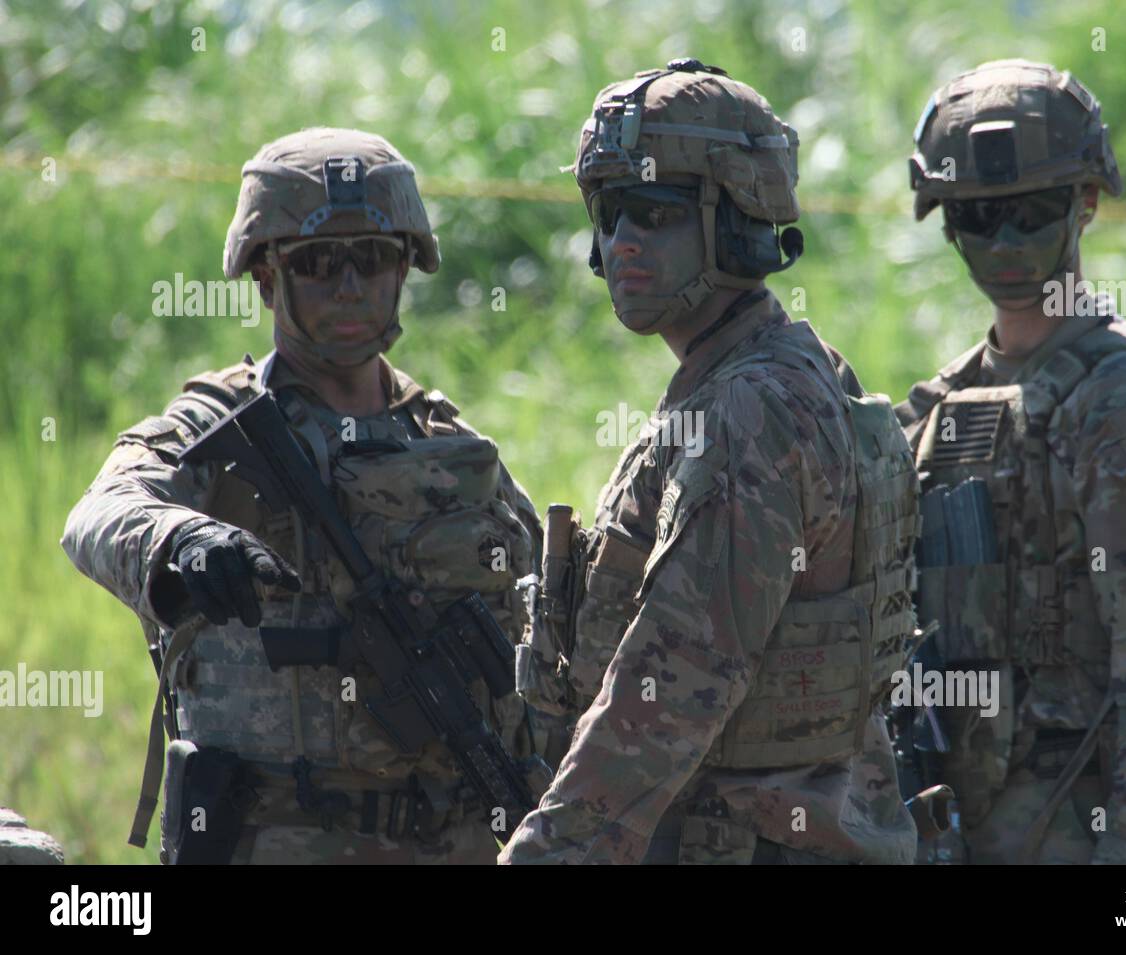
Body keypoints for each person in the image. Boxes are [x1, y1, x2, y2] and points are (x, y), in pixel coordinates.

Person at [62, 127, 546, 864]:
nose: (349, 286)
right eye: (318, 263)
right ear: (265, 274)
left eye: (373, 260)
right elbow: (100, 513)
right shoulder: (220, 423)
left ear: (404, 270)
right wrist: (181, 541)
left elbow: (542, 608)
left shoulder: (445, 439)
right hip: (278, 838)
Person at [503, 59, 921, 864]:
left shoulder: (743, 415)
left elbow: (668, 694)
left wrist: (548, 852)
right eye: (609, 213)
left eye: (654, 213)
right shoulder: (783, 371)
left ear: (736, 222)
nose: (621, 243)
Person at [895, 59, 1126, 864]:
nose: (1004, 242)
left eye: (1029, 213)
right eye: (977, 217)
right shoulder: (943, 406)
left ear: (1086, 203)